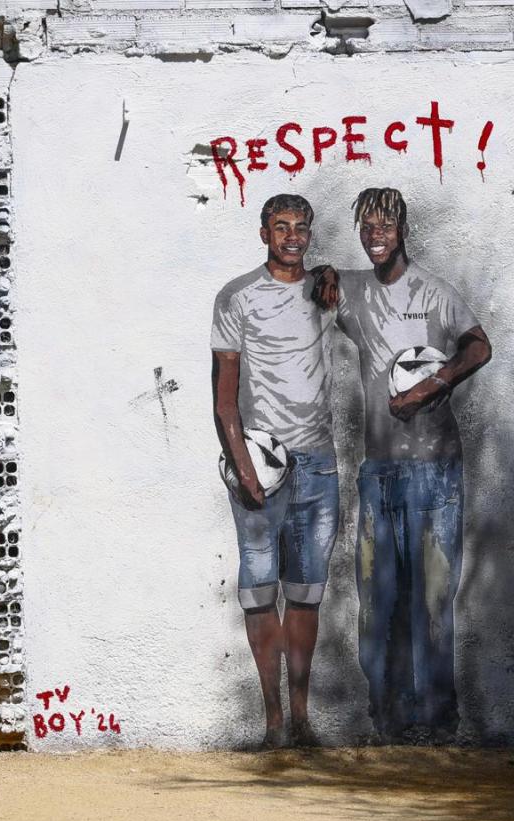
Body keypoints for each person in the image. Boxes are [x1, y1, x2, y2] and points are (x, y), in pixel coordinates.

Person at [313, 188, 493, 744]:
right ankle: (387, 719)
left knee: (433, 598)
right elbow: (315, 286)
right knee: (378, 600)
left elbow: (479, 347)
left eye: (385, 225)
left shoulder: (435, 292)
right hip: (380, 471)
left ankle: (438, 723)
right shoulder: (352, 289)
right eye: (366, 226)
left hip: (437, 470)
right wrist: (322, 273)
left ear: (403, 229)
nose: (375, 235)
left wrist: (428, 387)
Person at [211, 193, 339, 750]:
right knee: (261, 593)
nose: (291, 236)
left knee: (306, 594)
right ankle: (272, 722)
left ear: (310, 234)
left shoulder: (325, 291)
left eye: (300, 227)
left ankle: (302, 720)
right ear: (263, 233)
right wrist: (246, 471)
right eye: (280, 227)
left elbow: (370, 285)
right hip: (263, 462)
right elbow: (224, 399)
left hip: (319, 463)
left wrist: (332, 274)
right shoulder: (237, 296)